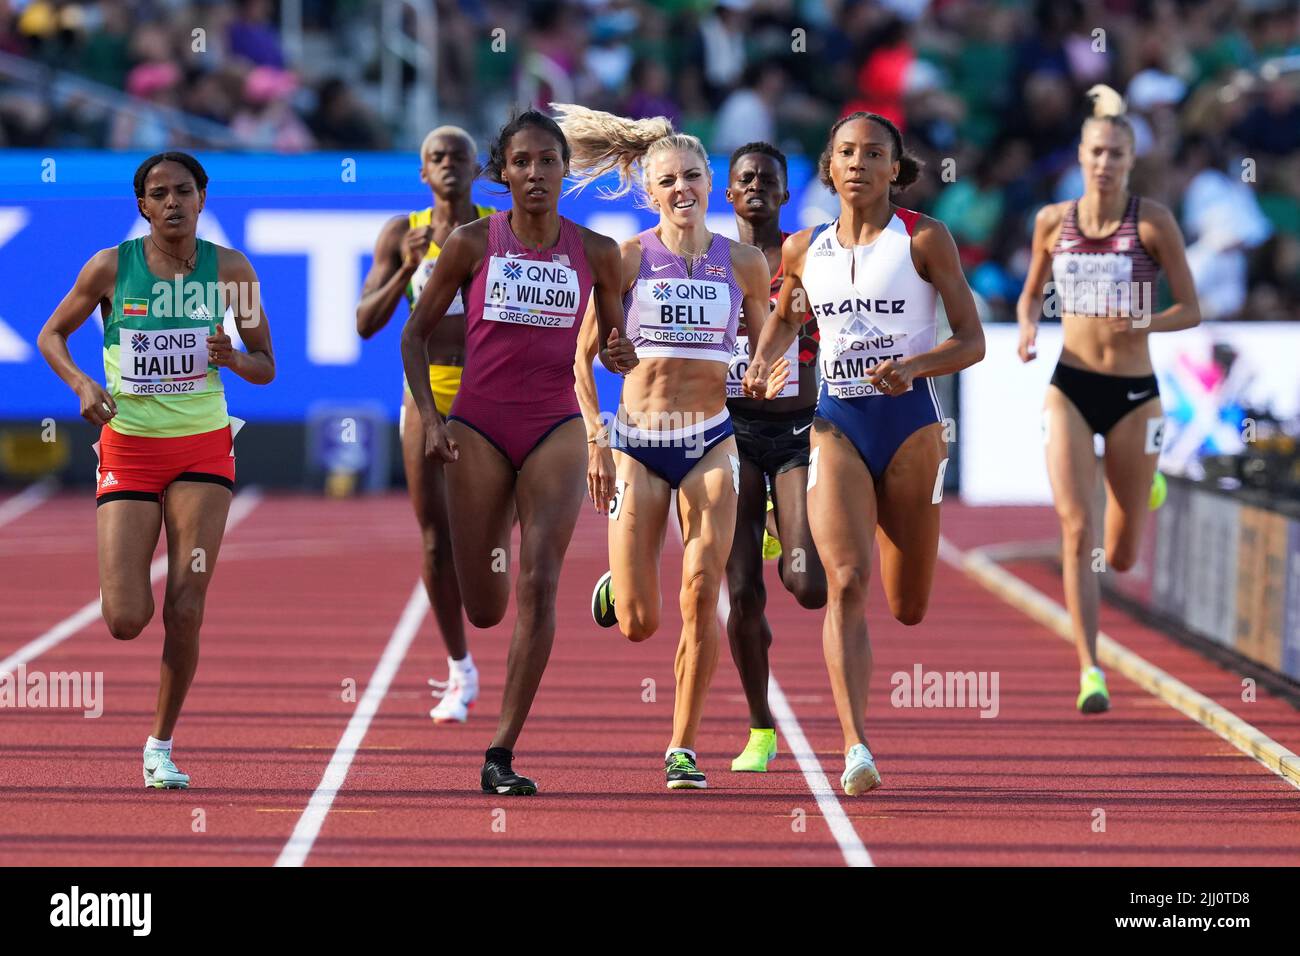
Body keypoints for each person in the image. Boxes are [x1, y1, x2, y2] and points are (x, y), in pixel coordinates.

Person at [745, 112, 984, 795]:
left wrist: (916, 366)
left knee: (908, 605)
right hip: (837, 421)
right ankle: (855, 747)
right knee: (845, 581)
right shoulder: (801, 249)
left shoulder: (925, 239)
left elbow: (973, 342)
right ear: (829, 165)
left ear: (893, 168)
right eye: (846, 152)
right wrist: (765, 361)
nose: (857, 163)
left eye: (873, 153)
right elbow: (788, 317)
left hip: (911, 426)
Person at [400, 110, 635, 795]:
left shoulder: (595, 250)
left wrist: (621, 352)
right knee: (486, 606)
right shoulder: (474, 243)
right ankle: (488, 561)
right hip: (477, 426)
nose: (535, 174)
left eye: (548, 161)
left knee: (538, 581)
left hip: (554, 424)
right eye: (522, 162)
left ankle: (501, 750)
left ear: (566, 170)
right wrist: (432, 418)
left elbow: (616, 348)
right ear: (503, 173)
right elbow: (413, 336)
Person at [36, 151, 276, 789]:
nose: (172, 203)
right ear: (142, 205)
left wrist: (234, 356)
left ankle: (160, 745)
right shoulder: (112, 266)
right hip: (130, 448)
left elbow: (265, 364)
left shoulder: (231, 270)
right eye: (158, 193)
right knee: (125, 619)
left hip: (203, 447)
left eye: (183, 191)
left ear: (202, 198)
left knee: (187, 604)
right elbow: (51, 335)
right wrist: (83, 384)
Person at [559, 104, 772, 790]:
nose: (682, 189)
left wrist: (767, 372)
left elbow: (767, 354)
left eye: (692, 177)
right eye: (668, 181)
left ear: (713, 184)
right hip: (639, 445)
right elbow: (581, 359)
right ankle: (619, 587)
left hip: (711, 441)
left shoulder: (743, 263)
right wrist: (596, 438)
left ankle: (682, 744)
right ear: (650, 193)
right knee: (640, 625)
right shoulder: (626, 258)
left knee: (704, 591)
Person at [1016, 85, 1200, 713]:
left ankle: (1144, 485)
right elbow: (1031, 289)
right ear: (1080, 154)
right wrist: (1028, 329)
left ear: (1129, 160)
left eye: (1116, 154)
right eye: (1096, 152)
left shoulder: (1151, 222)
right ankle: (1089, 668)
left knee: (1119, 556)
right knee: (1075, 529)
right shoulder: (1052, 220)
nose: (1104, 163)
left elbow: (1192, 308)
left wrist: (1146, 323)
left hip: (1134, 393)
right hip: (1070, 385)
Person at [357, 127, 495, 724]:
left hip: (492, 390)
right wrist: (404, 269)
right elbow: (366, 322)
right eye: (436, 158)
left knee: (490, 538)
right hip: (427, 390)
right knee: (436, 539)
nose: (447, 166)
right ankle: (460, 668)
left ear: (477, 168)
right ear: (422, 173)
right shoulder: (401, 232)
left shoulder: (500, 227)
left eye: (458, 158)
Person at [722, 141, 826, 773]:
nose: (757, 184)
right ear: (729, 194)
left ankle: (772, 528)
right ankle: (761, 726)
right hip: (728, 435)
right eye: (745, 178)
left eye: (768, 178)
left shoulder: (807, 258)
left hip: (793, 434)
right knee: (743, 594)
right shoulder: (709, 261)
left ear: (785, 192)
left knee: (806, 586)